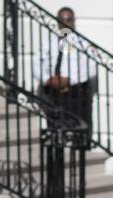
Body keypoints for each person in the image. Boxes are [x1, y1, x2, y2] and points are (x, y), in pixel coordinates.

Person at [38, 6, 97, 138]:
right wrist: (48, 79)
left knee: (78, 130)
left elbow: (91, 67)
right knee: (55, 129)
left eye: (69, 20)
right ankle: (57, 156)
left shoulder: (82, 43)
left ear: (73, 21)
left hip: (75, 93)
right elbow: (39, 63)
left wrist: (69, 80)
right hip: (54, 93)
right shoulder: (49, 41)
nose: (65, 23)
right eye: (61, 20)